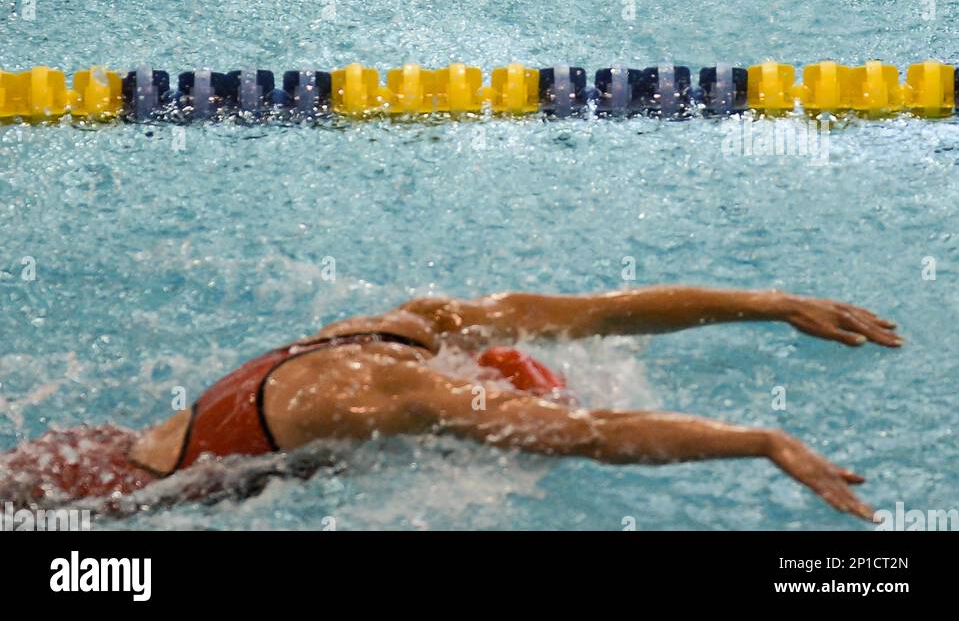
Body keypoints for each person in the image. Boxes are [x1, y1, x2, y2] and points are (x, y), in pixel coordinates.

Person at [0, 282, 900, 519]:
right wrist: (756, 442)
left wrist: (770, 306)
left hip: (99, 449)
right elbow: (591, 437)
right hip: (102, 502)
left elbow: (598, 312)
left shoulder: (415, 325)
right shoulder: (400, 392)